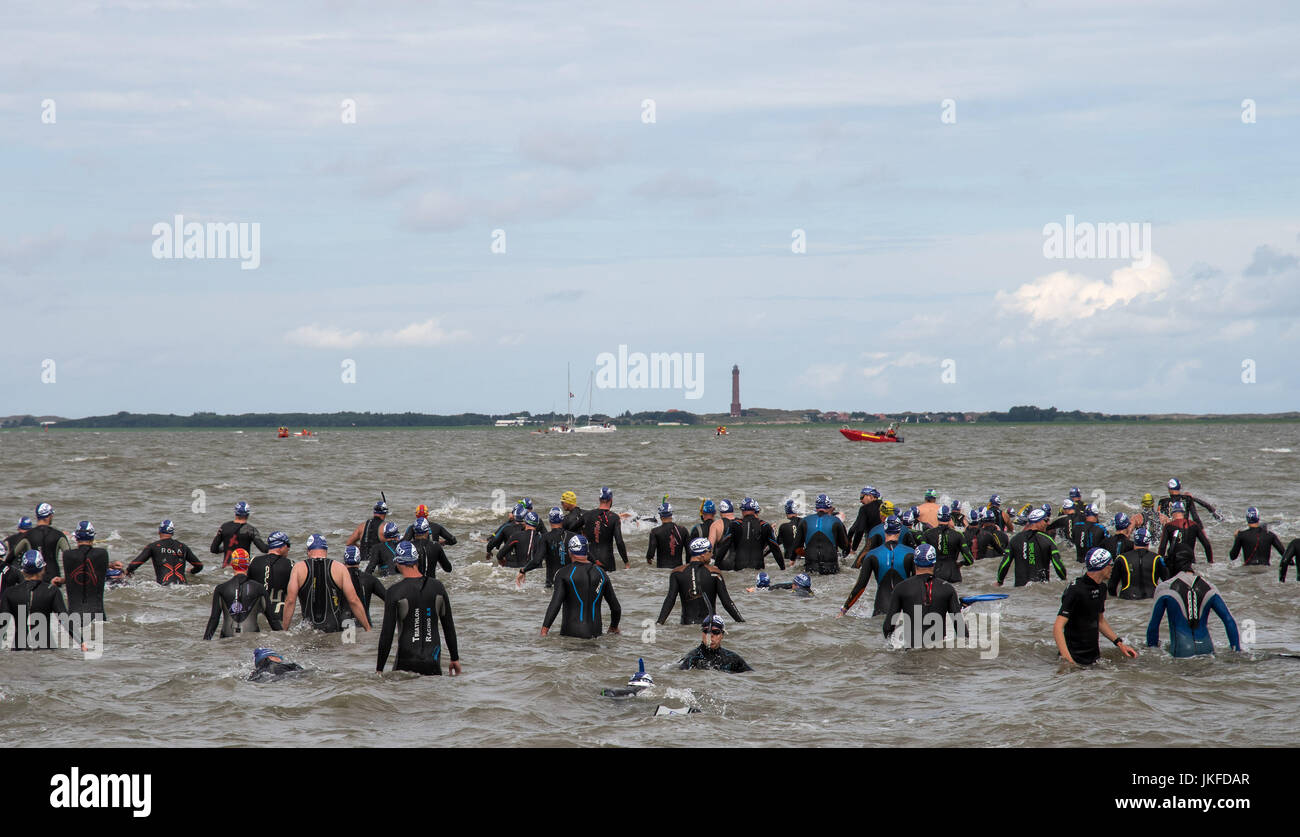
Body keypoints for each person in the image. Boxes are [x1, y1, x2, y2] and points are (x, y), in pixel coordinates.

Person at [376, 542, 461, 675]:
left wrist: (379, 669)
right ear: (416, 561)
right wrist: (454, 658)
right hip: (432, 661)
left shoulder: (394, 591)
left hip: (406, 662)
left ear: (398, 562)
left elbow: (387, 634)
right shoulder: (438, 587)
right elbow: (448, 626)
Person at [1052, 548, 1138, 666]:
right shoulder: (1075, 589)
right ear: (1101, 566)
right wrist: (1068, 660)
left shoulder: (1102, 588)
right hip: (1074, 657)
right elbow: (1058, 627)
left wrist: (1120, 644)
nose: (1112, 567)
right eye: (1110, 564)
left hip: (1093, 658)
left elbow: (1100, 621)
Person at [1146, 552, 1240, 657]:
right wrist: (1236, 652)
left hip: (1181, 652)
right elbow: (1229, 620)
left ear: (1172, 564)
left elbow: (1153, 626)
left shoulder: (1165, 587)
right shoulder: (1210, 587)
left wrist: (1151, 652)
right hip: (1208, 650)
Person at [281, 534, 372, 633]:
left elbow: (290, 601)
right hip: (334, 629)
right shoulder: (340, 568)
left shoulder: (298, 568)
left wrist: (284, 630)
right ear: (326, 550)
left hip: (308, 630)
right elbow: (353, 600)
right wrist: (367, 628)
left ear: (308, 550)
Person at [882, 544, 965, 647]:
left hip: (911, 651)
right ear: (934, 562)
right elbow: (961, 629)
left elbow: (888, 627)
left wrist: (891, 648)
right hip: (937, 652)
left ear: (915, 562)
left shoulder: (901, 588)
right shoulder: (948, 588)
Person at [541, 535, 621, 639]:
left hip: (571, 635)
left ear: (570, 552)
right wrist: (613, 627)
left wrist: (544, 631)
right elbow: (616, 608)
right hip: (596, 634)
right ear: (587, 551)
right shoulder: (601, 573)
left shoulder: (564, 574)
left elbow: (555, 604)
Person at [656, 538, 745, 625]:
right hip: (709, 625)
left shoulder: (677, 572)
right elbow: (726, 602)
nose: (712, 554)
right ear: (702, 554)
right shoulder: (714, 572)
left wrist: (659, 622)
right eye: (710, 551)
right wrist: (742, 622)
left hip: (687, 624)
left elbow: (670, 600)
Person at [840, 516, 914, 617]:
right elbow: (919, 583)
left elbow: (861, 586)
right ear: (899, 531)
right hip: (905, 610)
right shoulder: (911, 553)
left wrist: (845, 609)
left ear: (885, 530)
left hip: (881, 608)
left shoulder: (872, 555)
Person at [1, 551, 72, 650]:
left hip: (19, 649)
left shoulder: (9, 592)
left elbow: (2, 623)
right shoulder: (52, 591)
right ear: (42, 569)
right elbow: (64, 620)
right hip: (45, 648)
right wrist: (81, 642)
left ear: (23, 570)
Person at [203, 548, 278, 638]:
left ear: (232, 564)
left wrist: (205, 641)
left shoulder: (221, 588)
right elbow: (272, 620)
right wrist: (283, 641)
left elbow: (214, 619)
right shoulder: (259, 588)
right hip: (251, 640)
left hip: (227, 639)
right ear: (248, 564)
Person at [997, 508, 1066, 586]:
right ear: (1038, 522)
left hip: (1019, 590)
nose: (1048, 523)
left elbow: (1005, 563)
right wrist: (1064, 580)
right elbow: (1058, 565)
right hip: (1040, 590)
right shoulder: (1048, 540)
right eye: (1046, 520)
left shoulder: (1015, 539)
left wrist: (999, 581)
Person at [714, 498, 785, 571]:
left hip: (739, 569)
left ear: (742, 511)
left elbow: (724, 547)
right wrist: (783, 568)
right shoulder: (765, 526)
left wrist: (716, 565)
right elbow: (775, 549)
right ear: (755, 511)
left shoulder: (735, 525)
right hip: (758, 569)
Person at [127, 519, 204, 584]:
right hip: (182, 585)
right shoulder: (183, 547)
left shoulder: (153, 546)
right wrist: (191, 572)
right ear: (172, 533)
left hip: (163, 587)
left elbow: (134, 565)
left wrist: (128, 571)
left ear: (159, 531)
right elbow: (199, 566)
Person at [62, 521, 111, 620]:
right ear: (93, 537)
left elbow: (76, 574)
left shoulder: (67, 555)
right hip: (98, 615)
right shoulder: (102, 554)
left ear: (76, 538)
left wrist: (62, 580)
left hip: (74, 616)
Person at [793, 494, 851, 575]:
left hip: (811, 567)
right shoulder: (836, 521)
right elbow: (845, 547)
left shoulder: (804, 521)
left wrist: (808, 554)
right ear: (830, 507)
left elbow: (796, 548)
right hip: (831, 567)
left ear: (816, 508)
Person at [1108, 528, 1168, 600]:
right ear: (1148, 542)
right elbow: (1167, 581)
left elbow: (1112, 586)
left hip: (1127, 598)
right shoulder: (1157, 559)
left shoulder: (1121, 558)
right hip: (1151, 597)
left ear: (1134, 541)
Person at [247, 530, 293, 624]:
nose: (288, 549)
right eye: (288, 545)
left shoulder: (253, 561)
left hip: (255, 616)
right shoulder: (290, 564)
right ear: (282, 546)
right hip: (279, 615)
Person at [678, 615, 752, 672]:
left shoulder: (733, 659)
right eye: (707, 631)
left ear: (722, 635)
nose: (711, 636)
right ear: (702, 634)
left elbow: (752, 677)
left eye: (715, 632)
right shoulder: (691, 659)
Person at [581, 486, 628, 572]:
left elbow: (573, 531)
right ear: (611, 500)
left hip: (590, 560)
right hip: (607, 561)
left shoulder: (587, 515)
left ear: (599, 499)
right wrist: (626, 562)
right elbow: (619, 542)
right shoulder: (614, 518)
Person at [922, 505, 973, 583]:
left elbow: (922, 557)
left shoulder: (927, 534)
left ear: (937, 517)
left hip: (935, 573)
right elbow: (969, 560)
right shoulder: (958, 535)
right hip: (953, 573)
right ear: (950, 518)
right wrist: (960, 564)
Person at [210, 501, 268, 568]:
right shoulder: (250, 530)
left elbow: (213, 549)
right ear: (248, 514)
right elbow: (263, 549)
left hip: (226, 567)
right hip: (242, 568)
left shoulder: (224, 527)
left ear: (235, 513)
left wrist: (226, 547)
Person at [25, 503, 68, 582]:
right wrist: (65, 580)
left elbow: (12, 555)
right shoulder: (58, 535)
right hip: (54, 580)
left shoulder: (28, 535)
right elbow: (70, 558)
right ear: (49, 516)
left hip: (33, 579)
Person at [342, 545, 386, 623]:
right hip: (364, 625)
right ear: (359, 559)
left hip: (344, 626)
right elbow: (388, 598)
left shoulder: (338, 579)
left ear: (344, 560)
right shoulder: (370, 579)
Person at [1157, 478, 1223, 526]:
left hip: (1169, 530)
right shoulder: (1187, 498)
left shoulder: (1163, 501)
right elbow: (1197, 514)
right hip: (1184, 528)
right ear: (1180, 488)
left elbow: (1158, 518)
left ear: (1169, 489)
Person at [645, 501, 690, 569]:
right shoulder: (683, 530)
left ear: (660, 516)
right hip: (678, 569)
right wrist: (687, 567)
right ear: (671, 515)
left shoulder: (655, 532)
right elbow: (689, 552)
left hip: (662, 570)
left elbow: (651, 553)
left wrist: (649, 559)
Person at [848, 487, 883, 553]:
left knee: (860, 561)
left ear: (870, 496)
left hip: (872, 542)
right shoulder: (884, 506)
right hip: (886, 540)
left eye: (862, 497)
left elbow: (859, 530)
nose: (860, 501)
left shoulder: (864, 509)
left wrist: (853, 548)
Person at [776, 499, 802, 565]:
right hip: (802, 557)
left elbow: (776, 543)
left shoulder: (783, 525)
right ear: (796, 510)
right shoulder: (804, 522)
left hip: (788, 559)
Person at [747, 571, 814, 597]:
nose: (792, 584)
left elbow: (778, 586)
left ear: (796, 585)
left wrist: (755, 591)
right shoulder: (810, 592)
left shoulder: (797, 594)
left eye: (793, 583)